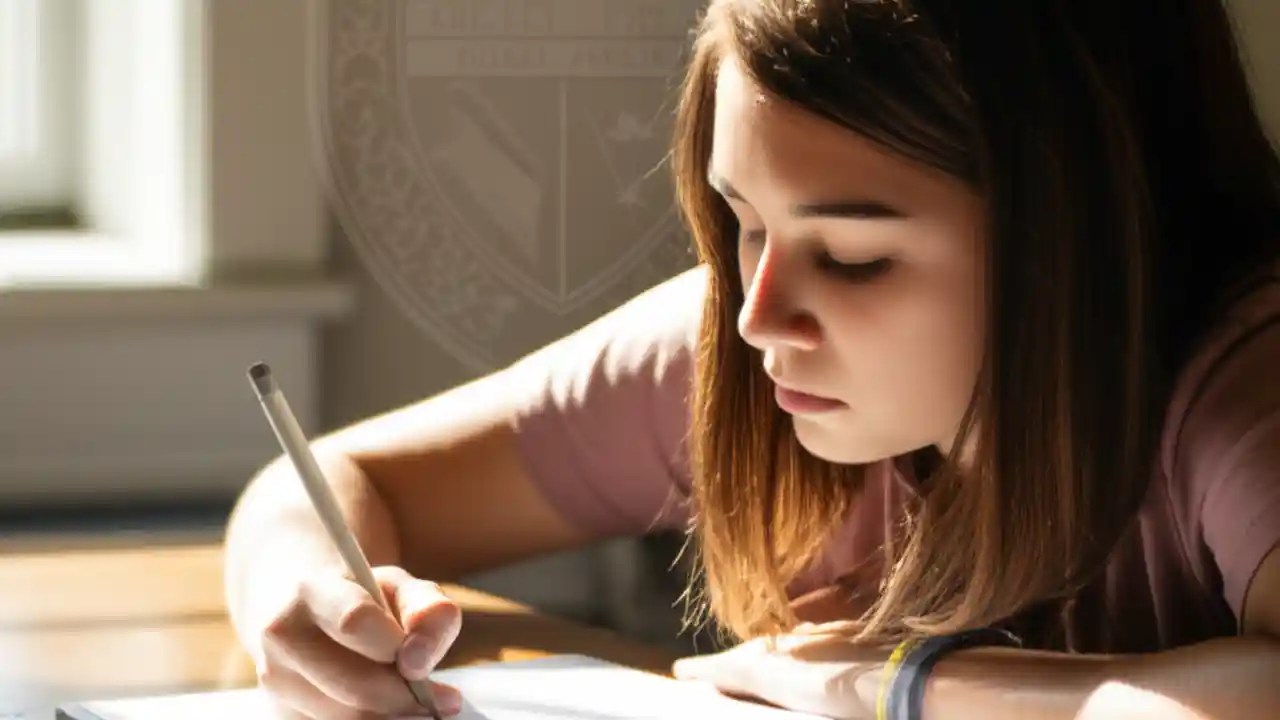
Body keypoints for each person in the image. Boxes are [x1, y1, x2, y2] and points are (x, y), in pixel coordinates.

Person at [224, 1, 1280, 718]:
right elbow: (321, 485)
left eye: (855, 258)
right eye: (742, 222)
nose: (756, 317)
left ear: (1080, 232)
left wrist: (899, 684)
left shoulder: (1241, 384)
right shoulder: (739, 358)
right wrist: (310, 598)